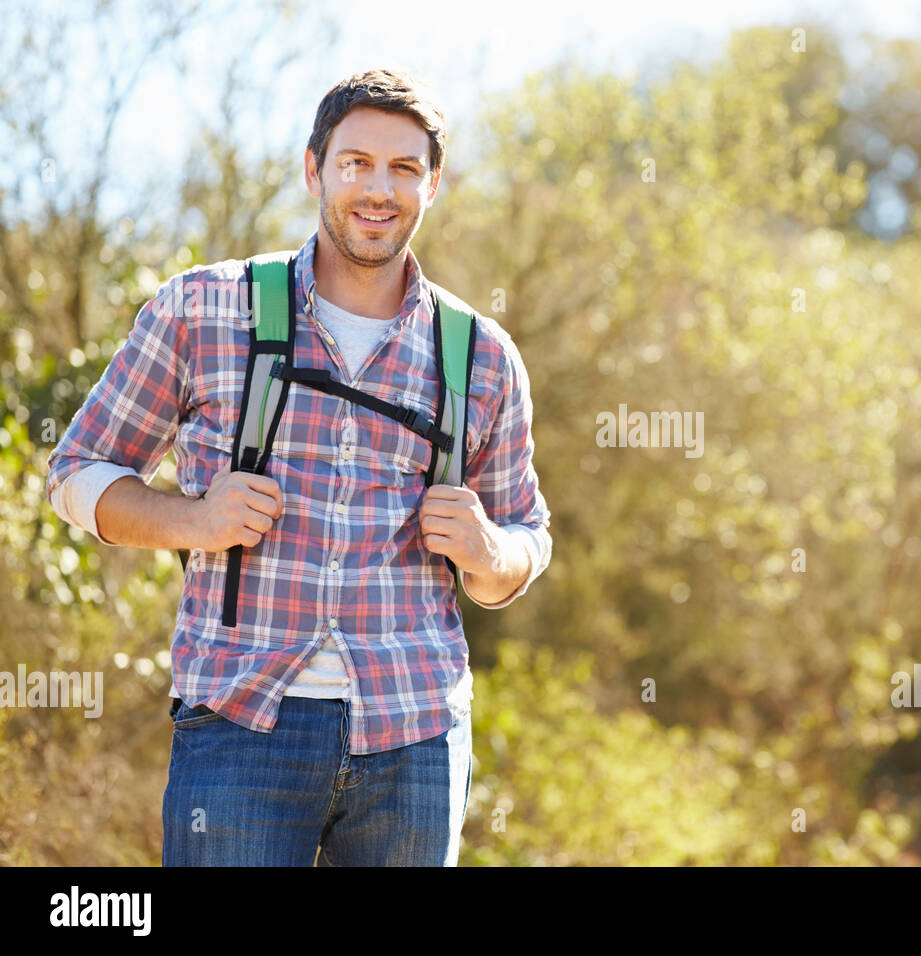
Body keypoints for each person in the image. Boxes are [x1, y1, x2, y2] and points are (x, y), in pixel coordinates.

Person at [45, 68, 551, 866]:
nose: (378, 189)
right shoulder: (203, 309)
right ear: (314, 169)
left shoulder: (480, 353)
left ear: (434, 183)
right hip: (240, 728)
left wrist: (491, 552)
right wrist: (194, 519)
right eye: (355, 163)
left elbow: (525, 539)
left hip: (416, 736)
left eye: (404, 169)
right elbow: (75, 473)